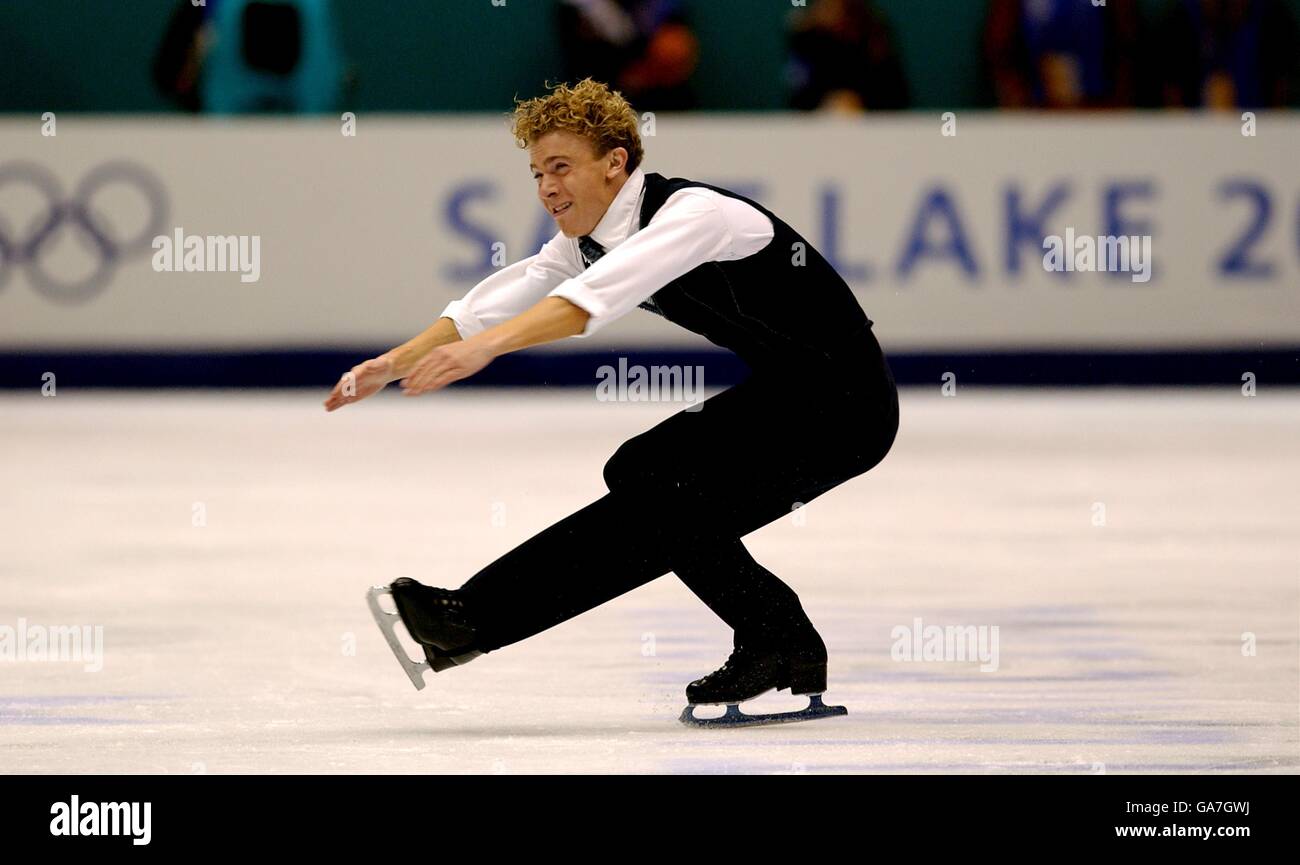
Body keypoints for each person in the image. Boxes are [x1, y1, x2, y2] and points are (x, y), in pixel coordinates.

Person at [326, 78, 899, 722]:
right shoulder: (586, 242)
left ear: (616, 163)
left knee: (656, 489)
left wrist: (485, 352)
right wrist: (392, 363)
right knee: (649, 483)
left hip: (848, 408)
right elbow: (489, 304)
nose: (547, 187)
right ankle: (471, 620)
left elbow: (585, 305)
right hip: (789, 397)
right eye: (538, 172)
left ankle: (772, 638)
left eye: (562, 168)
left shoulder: (693, 216)